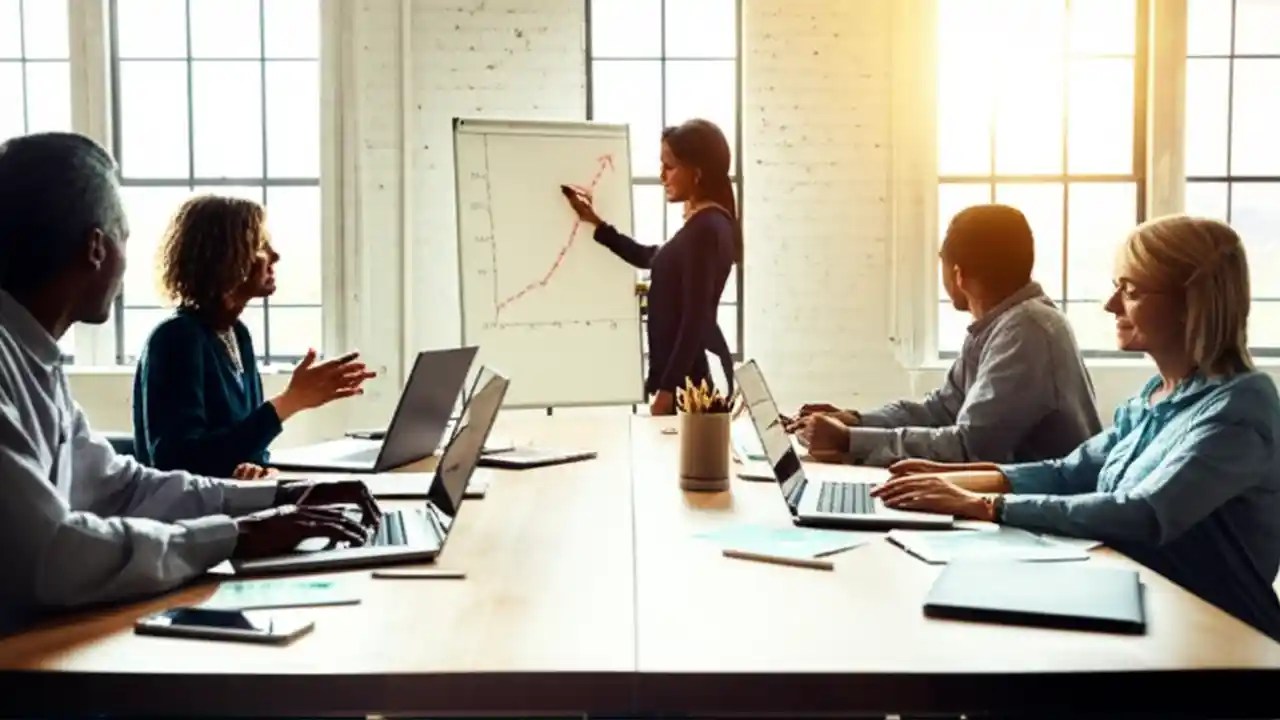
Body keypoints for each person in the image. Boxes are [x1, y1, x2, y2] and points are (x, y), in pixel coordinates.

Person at [0, 132, 379, 631]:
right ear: (96, 248)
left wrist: (281, 499)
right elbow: (51, 556)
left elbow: (125, 488)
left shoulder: (36, 358)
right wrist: (234, 535)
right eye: (124, 237)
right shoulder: (17, 362)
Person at [872, 215, 1280, 641]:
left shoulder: (1239, 410)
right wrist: (947, 480)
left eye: (1132, 291)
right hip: (1141, 611)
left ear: (1191, 304)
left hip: (1221, 646)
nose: (1112, 306)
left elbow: (1143, 513)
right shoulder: (1154, 397)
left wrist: (987, 505)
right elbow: (1069, 472)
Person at [788, 204, 1101, 466]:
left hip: (1042, 525)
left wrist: (848, 441)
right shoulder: (1001, 323)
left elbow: (970, 447)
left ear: (957, 274)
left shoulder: (1026, 331)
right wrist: (855, 421)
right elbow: (940, 410)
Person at [132, 194, 374, 479]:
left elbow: (245, 447)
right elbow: (178, 462)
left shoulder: (238, 334)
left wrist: (258, 468)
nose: (275, 256)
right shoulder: (176, 338)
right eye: (260, 246)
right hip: (192, 515)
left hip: (232, 503)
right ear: (224, 256)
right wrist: (290, 401)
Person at [562, 118, 738, 416]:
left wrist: (668, 390)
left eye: (669, 166)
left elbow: (695, 317)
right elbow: (650, 258)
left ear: (696, 173)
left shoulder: (707, 228)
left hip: (685, 389)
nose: (661, 176)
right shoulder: (703, 226)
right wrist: (596, 223)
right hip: (681, 384)